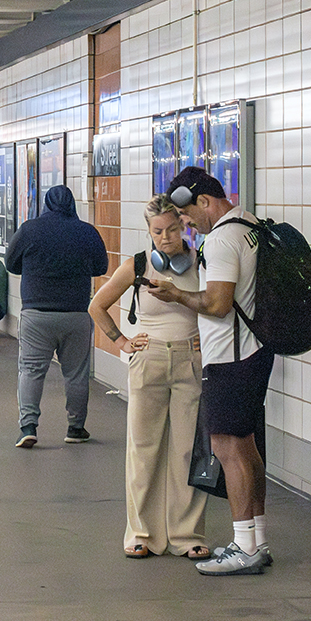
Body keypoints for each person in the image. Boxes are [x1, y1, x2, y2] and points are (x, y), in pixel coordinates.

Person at [148, 166, 273, 576]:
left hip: (230, 357)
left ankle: (243, 546)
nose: (187, 224)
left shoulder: (220, 239)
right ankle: (257, 539)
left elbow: (218, 304)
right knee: (247, 446)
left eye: (187, 216)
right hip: (255, 351)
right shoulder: (249, 224)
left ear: (204, 201)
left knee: (227, 448)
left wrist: (177, 295)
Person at [88, 194, 209, 561]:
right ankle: (142, 533)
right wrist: (122, 342)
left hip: (190, 358)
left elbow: (219, 305)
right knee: (143, 448)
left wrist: (207, 341)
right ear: (149, 232)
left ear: (184, 226)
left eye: (172, 229)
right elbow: (97, 306)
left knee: (187, 450)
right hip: (149, 357)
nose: (166, 238)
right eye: (158, 232)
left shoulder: (202, 263)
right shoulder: (138, 265)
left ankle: (187, 534)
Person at [7, 184, 107, 448]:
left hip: (36, 314)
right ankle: (76, 428)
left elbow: (11, 264)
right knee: (76, 374)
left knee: (31, 370)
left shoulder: (29, 229)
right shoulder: (86, 231)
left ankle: (28, 427)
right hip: (76, 314)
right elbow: (101, 266)